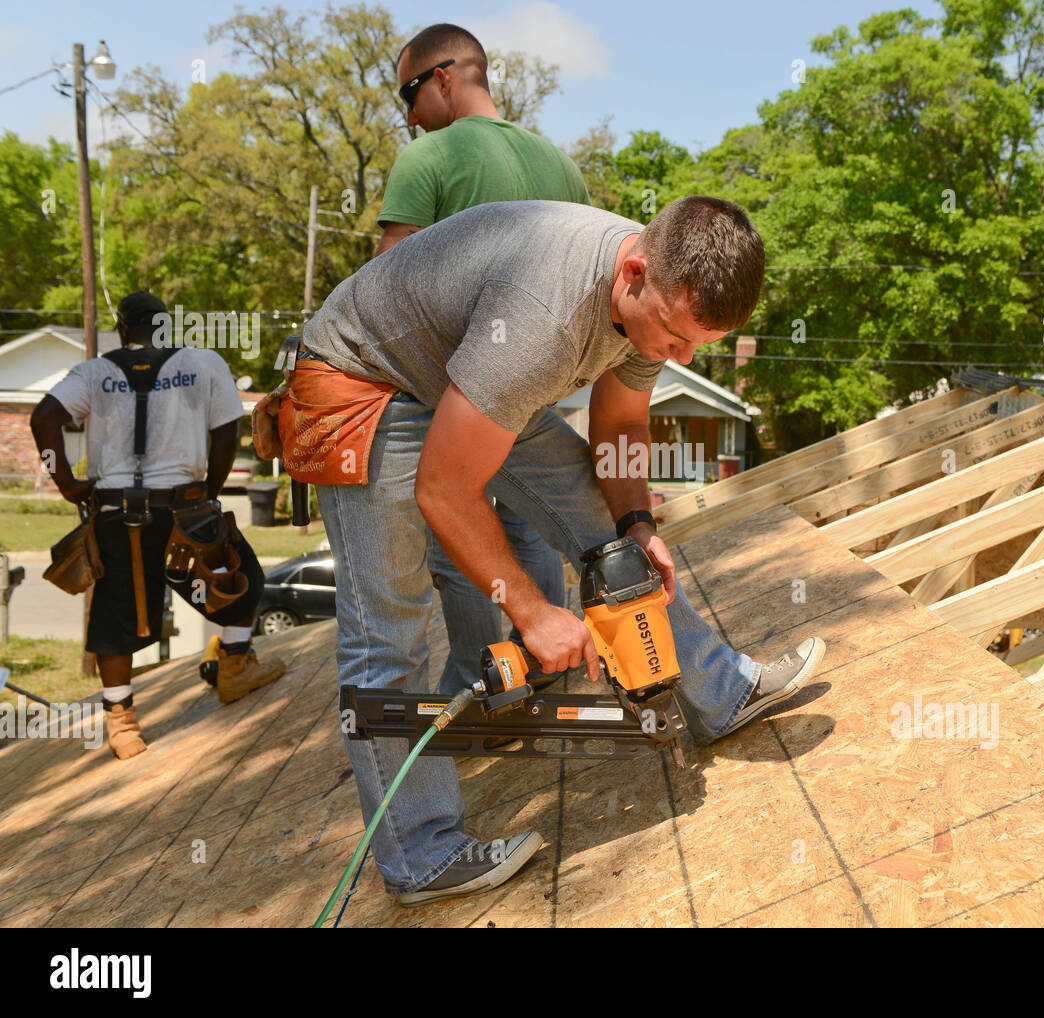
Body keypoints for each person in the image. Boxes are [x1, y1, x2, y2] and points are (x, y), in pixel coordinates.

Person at [282, 196, 826, 905]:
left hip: (464, 376)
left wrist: (635, 525)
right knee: (390, 627)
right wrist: (533, 611)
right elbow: (445, 490)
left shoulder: (652, 300)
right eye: (672, 335)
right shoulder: (544, 315)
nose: (681, 356)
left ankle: (719, 693)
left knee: (614, 542)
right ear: (633, 273)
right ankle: (420, 856)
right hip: (366, 381)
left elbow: (623, 419)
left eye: (698, 344)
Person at [376, 22, 589, 694]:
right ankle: (548, 668)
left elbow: (383, 283)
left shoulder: (430, 156)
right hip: (535, 384)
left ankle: (483, 681)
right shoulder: (560, 163)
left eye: (409, 95)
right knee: (528, 533)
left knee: (455, 533)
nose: (410, 117)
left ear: (443, 76)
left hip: (453, 390)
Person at [30, 291, 285, 760]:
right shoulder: (205, 363)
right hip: (184, 512)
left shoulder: (93, 372)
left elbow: (44, 418)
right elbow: (227, 431)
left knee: (114, 616)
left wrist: (64, 481)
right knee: (239, 580)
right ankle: (233, 669)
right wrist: (211, 488)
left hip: (116, 515)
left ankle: (122, 723)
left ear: (122, 328)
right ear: (166, 326)